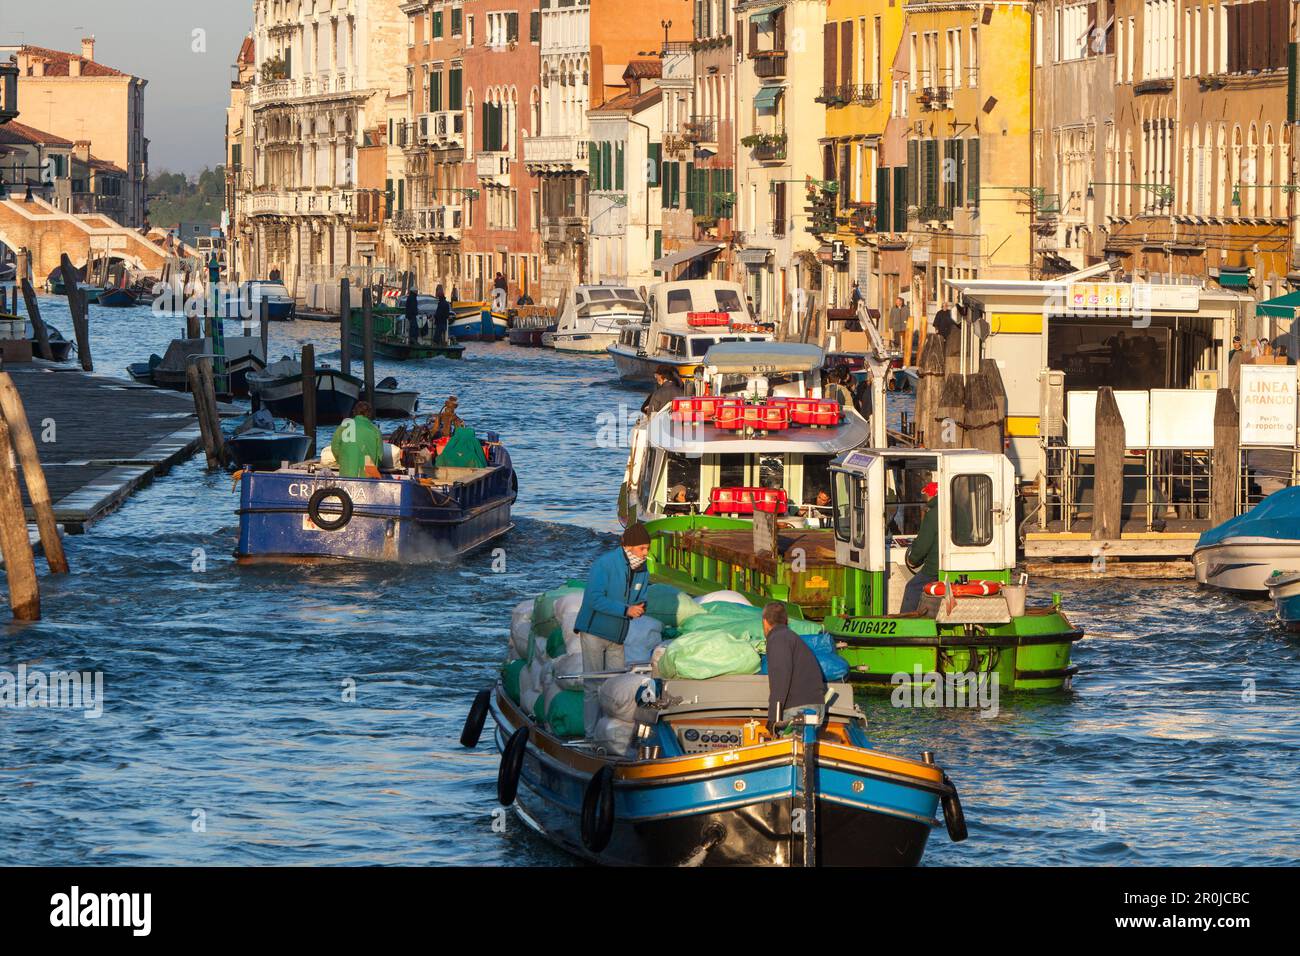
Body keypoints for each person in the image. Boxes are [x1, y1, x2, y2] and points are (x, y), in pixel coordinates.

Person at [575, 523, 653, 734]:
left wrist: (641, 607)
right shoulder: (605, 564)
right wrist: (626, 610)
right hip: (594, 632)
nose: (645, 553)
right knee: (593, 685)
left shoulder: (643, 569)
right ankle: (591, 733)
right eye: (641, 548)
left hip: (617, 635)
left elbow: (641, 596)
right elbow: (594, 599)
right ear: (627, 546)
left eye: (647, 548)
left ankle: (610, 732)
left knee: (616, 686)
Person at [762, 602, 827, 734]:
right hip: (815, 706)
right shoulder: (792, 638)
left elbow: (780, 679)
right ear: (786, 621)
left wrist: (772, 718)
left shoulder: (778, 638)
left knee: (789, 751)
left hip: (798, 711)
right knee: (803, 751)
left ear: (765, 622)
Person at [902, 481, 940, 612]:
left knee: (913, 587)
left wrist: (912, 559)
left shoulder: (932, 515)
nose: (925, 499)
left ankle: (906, 621)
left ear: (931, 496)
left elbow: (923, 545)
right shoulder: (960, 509)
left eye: (926, 496)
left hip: (935, 568)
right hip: (954, 566)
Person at [330, 400, 383, 479]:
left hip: (346, 469)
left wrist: (342, 461)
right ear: (369, 414)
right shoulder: (375, 430)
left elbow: (335, 447)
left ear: (354, 412)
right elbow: (379, 456)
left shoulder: (343, 426)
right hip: (367, 473)